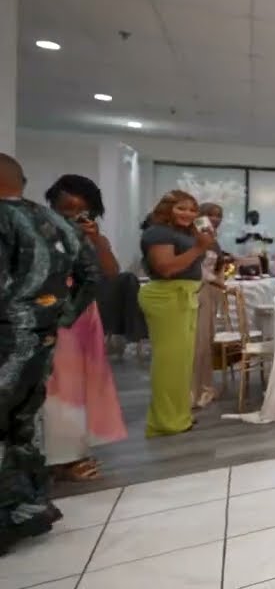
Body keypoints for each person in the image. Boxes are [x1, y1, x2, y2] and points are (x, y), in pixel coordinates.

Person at [0, 154, 100, 553]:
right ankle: (28, 506)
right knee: (22, 424)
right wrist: (62, 315)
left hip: (7, 336)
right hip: (40, 337)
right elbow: (91, 276)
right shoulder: (57, 224)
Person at [41, 175, 127, 481]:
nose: (73, 217)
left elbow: (112, 272)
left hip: (86, 315)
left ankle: (74, 450)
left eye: (82, 211)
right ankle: (59, 457)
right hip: (55, 312)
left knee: (84, 385)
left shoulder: (92, 237)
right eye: (66, 209)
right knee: (60, 388)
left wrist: (96, 240)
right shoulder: (42, 232)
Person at [139, 190, 216, 437]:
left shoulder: (182, 233)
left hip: (183, 296)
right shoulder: (158, 232)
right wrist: (199, 248)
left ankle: (177, 416)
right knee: (170, 364)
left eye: (192, 210)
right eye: (181, 208)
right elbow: (166, 268)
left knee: (181, 363)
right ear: (167, 208)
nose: (188, 214)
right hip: (168, 297)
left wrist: (203, 242)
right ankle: (166, 422)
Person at [192, 202, 227, 410]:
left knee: (206, 341)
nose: (216, 218)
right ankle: (194, 391)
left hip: (211, 291)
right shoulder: (196, 235)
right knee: (199, 341)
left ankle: (205, 386)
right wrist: (216, 281)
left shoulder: (212, 237)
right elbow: (196, 266)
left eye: (219, 215)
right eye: (211, 214)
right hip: (200, 289)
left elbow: (216, 263)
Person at [235, 209, 272, 274]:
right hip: (246, 254)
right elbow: (237, 241)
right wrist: (246, 237)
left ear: (258, 217)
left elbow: (271, 240)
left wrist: (260, 238)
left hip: (260, 254)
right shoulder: (244, 227)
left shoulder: (264, 227)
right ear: (249, 218)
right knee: (247, 271)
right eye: (252, 216)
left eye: (256, 216)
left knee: (261, 271)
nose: (254, 218)